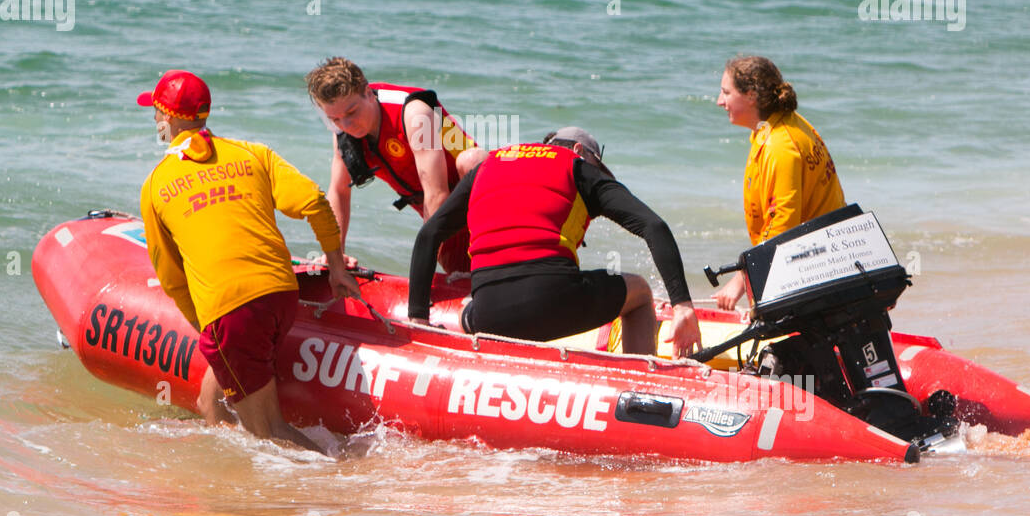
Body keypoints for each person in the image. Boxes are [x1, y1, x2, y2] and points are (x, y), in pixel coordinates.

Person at [137, 69, 362, 451]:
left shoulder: (157, 183)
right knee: (212, 401)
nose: (156, 121)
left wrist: (207, 325)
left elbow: (171, 276)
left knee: (268, 431)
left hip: (231, 311)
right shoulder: (251, 153)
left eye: (156, 114)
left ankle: (341, 482)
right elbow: (313, 201)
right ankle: (238, 491)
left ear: (168, 119)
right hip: (281, 296)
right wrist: (335, 265)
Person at [407, 128, 701, 357]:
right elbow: (654, 226)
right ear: (578, 151)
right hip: (553, 304)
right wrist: (682, 306)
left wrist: (418, 319)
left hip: (488, 317)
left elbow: (428, 236)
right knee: (639, 290)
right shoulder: (578, 168)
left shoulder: (489, 165)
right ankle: (640, 392)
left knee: (469, 305)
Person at [305, 57, 486, 275]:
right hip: (438, 213)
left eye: (352, 113)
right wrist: (335, 257)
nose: (346, 126)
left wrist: (422, 267)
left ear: (368, 93)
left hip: (478, 200)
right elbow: (339, 190)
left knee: (472, 160)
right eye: (335, 119)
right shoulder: (343, 131)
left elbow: (436, 194)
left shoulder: (414, 112)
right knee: (460, 275)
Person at [712, 55, 845, 310]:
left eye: (726, 93)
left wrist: (742, 280)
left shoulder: (780, 146)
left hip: (816, 266)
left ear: (750, 95)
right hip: (820, 253)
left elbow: (783, 226)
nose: (720, 101)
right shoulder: (782, 124)